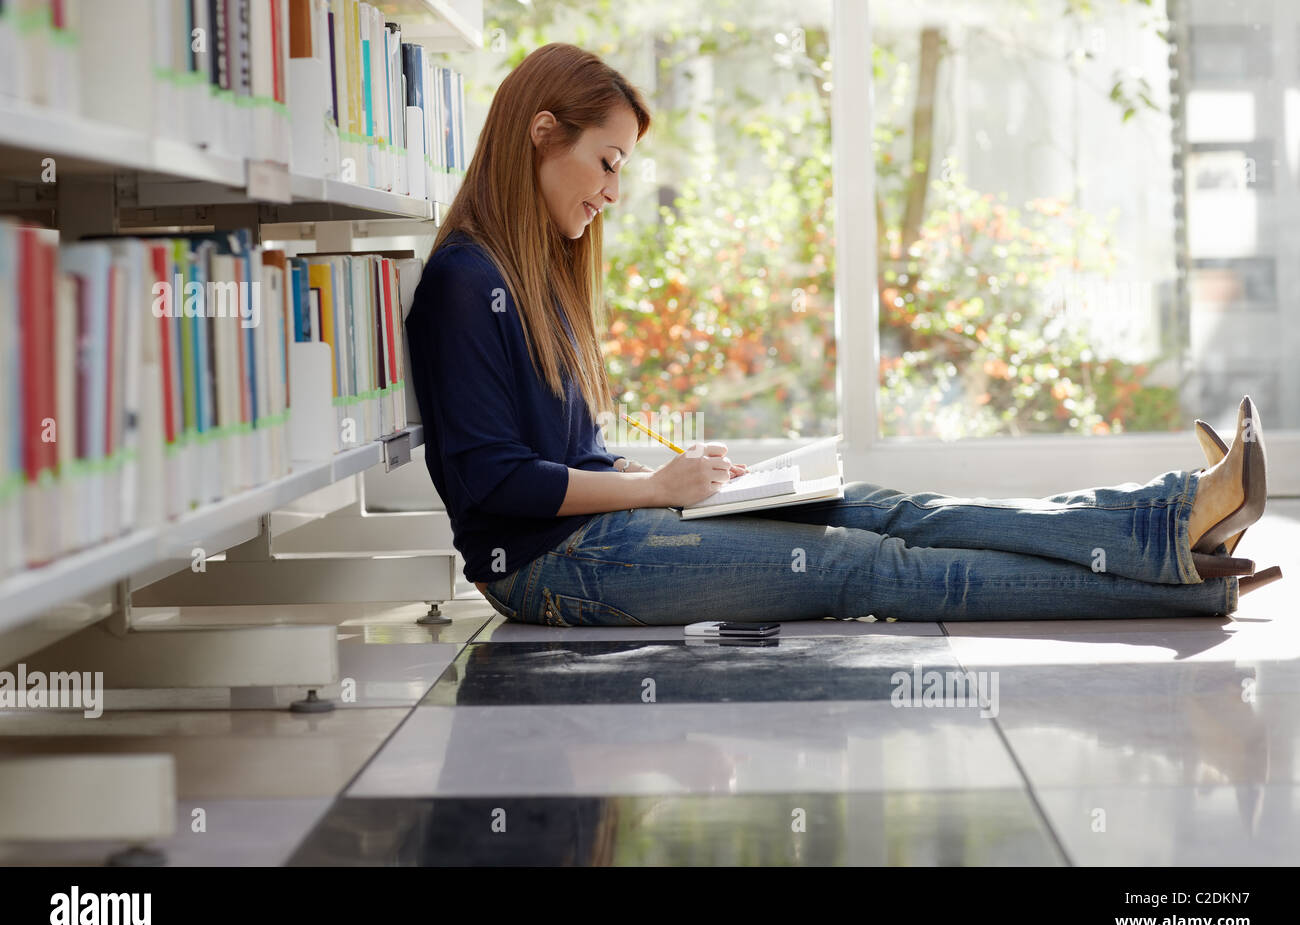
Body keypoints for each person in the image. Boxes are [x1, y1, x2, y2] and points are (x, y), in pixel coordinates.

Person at [403, 43, 1281, 627]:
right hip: (549, 571)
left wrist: (674, 481)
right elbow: (496, 483)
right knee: (868, 564)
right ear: (540, 133)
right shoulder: (463, 283)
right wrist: (651, 488)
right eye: (608, 163)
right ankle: (1181, 573)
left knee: (895, 509)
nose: (612, 194)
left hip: (602, 530)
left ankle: (1168, 520)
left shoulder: (531, 277)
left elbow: (563, 457)